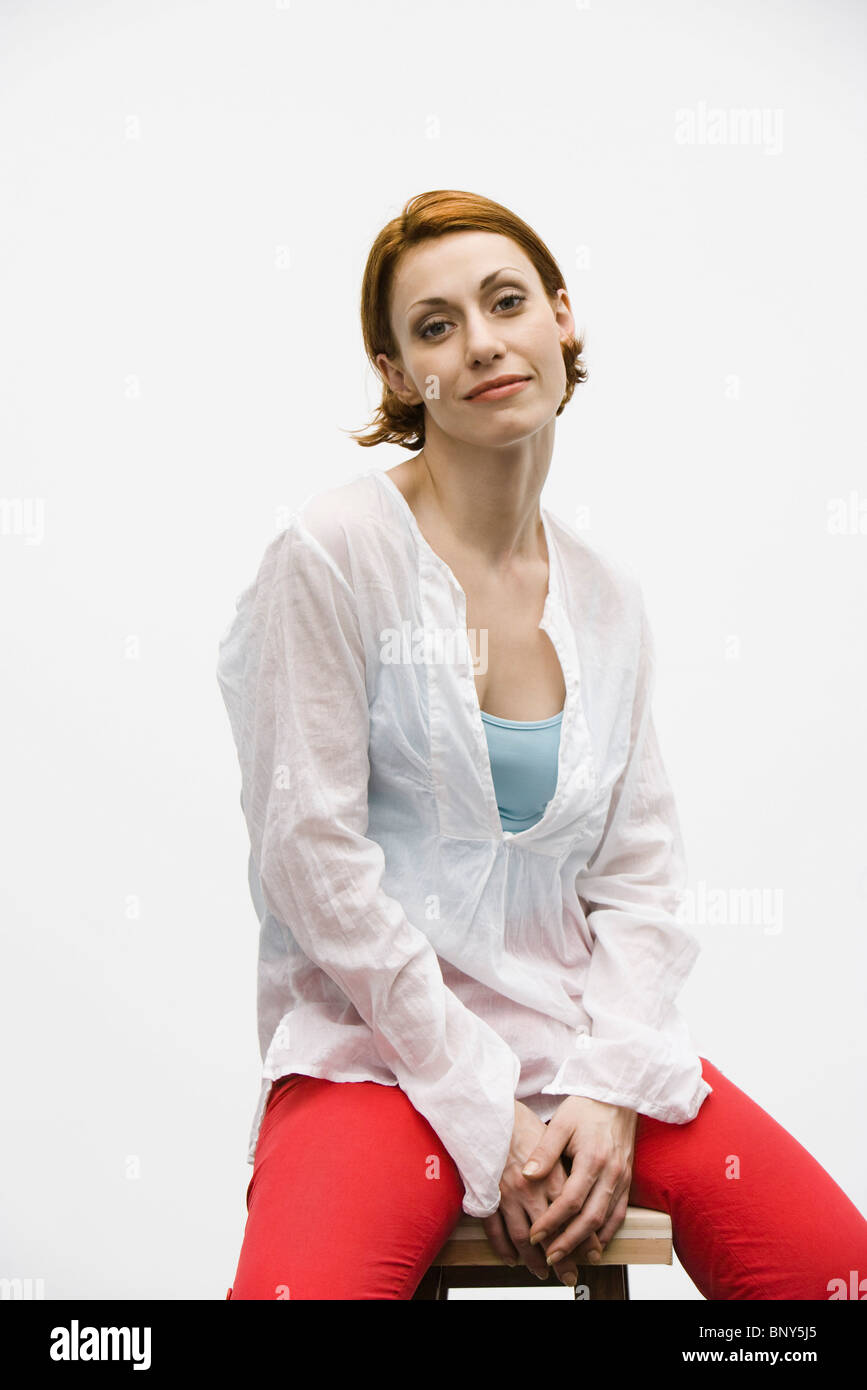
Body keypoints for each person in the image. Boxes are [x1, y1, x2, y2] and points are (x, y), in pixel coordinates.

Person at [216, 189, 867, 1300]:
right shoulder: (331, 555)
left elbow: (639, 880)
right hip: (378, 1049)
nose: (480, 343)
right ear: (397, 375)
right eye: (434, 326)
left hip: (576, 1042)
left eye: (506, 301)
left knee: (835, 1274)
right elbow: (311, 858)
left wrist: (613, 1086)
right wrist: (482, 1102)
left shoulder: (610, 599)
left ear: (561, 319)